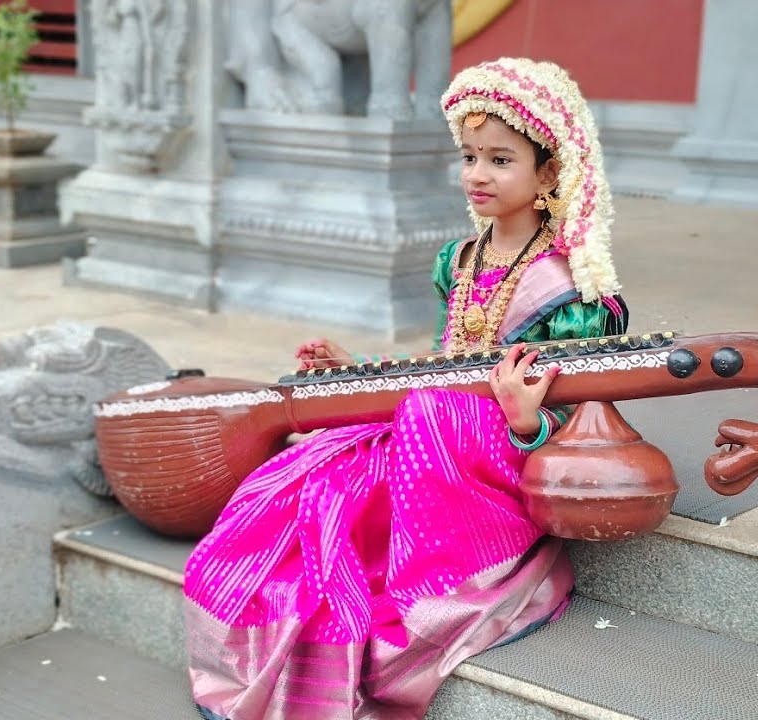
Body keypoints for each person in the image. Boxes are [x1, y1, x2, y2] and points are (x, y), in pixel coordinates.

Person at [184, 57, 630, 720]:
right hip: (437, 427)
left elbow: (585, 422)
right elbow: (442, 363)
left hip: (501, 451)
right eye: (469, 156)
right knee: (311, 478)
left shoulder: (571, 290)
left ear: (549, 174)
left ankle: (416, 616)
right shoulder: (458, 259)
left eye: (501, 160)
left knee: (418, 420)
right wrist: (356, 369)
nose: (477, 174)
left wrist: (527, 423)